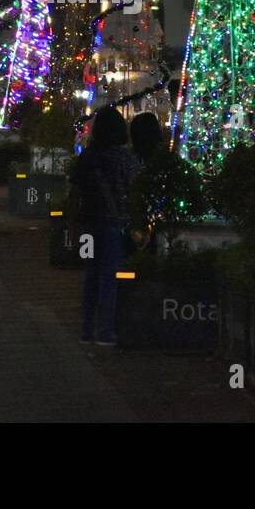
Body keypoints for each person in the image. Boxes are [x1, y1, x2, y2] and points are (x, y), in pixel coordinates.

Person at [72, 106, 140, 346]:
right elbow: (133, 187)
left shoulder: (87, 157)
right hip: (113, 223)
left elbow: (76, 186)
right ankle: (105, 330)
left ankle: (87, 329)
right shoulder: (124, 158)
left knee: (91, 274)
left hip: (89, 224)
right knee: (109, 276)